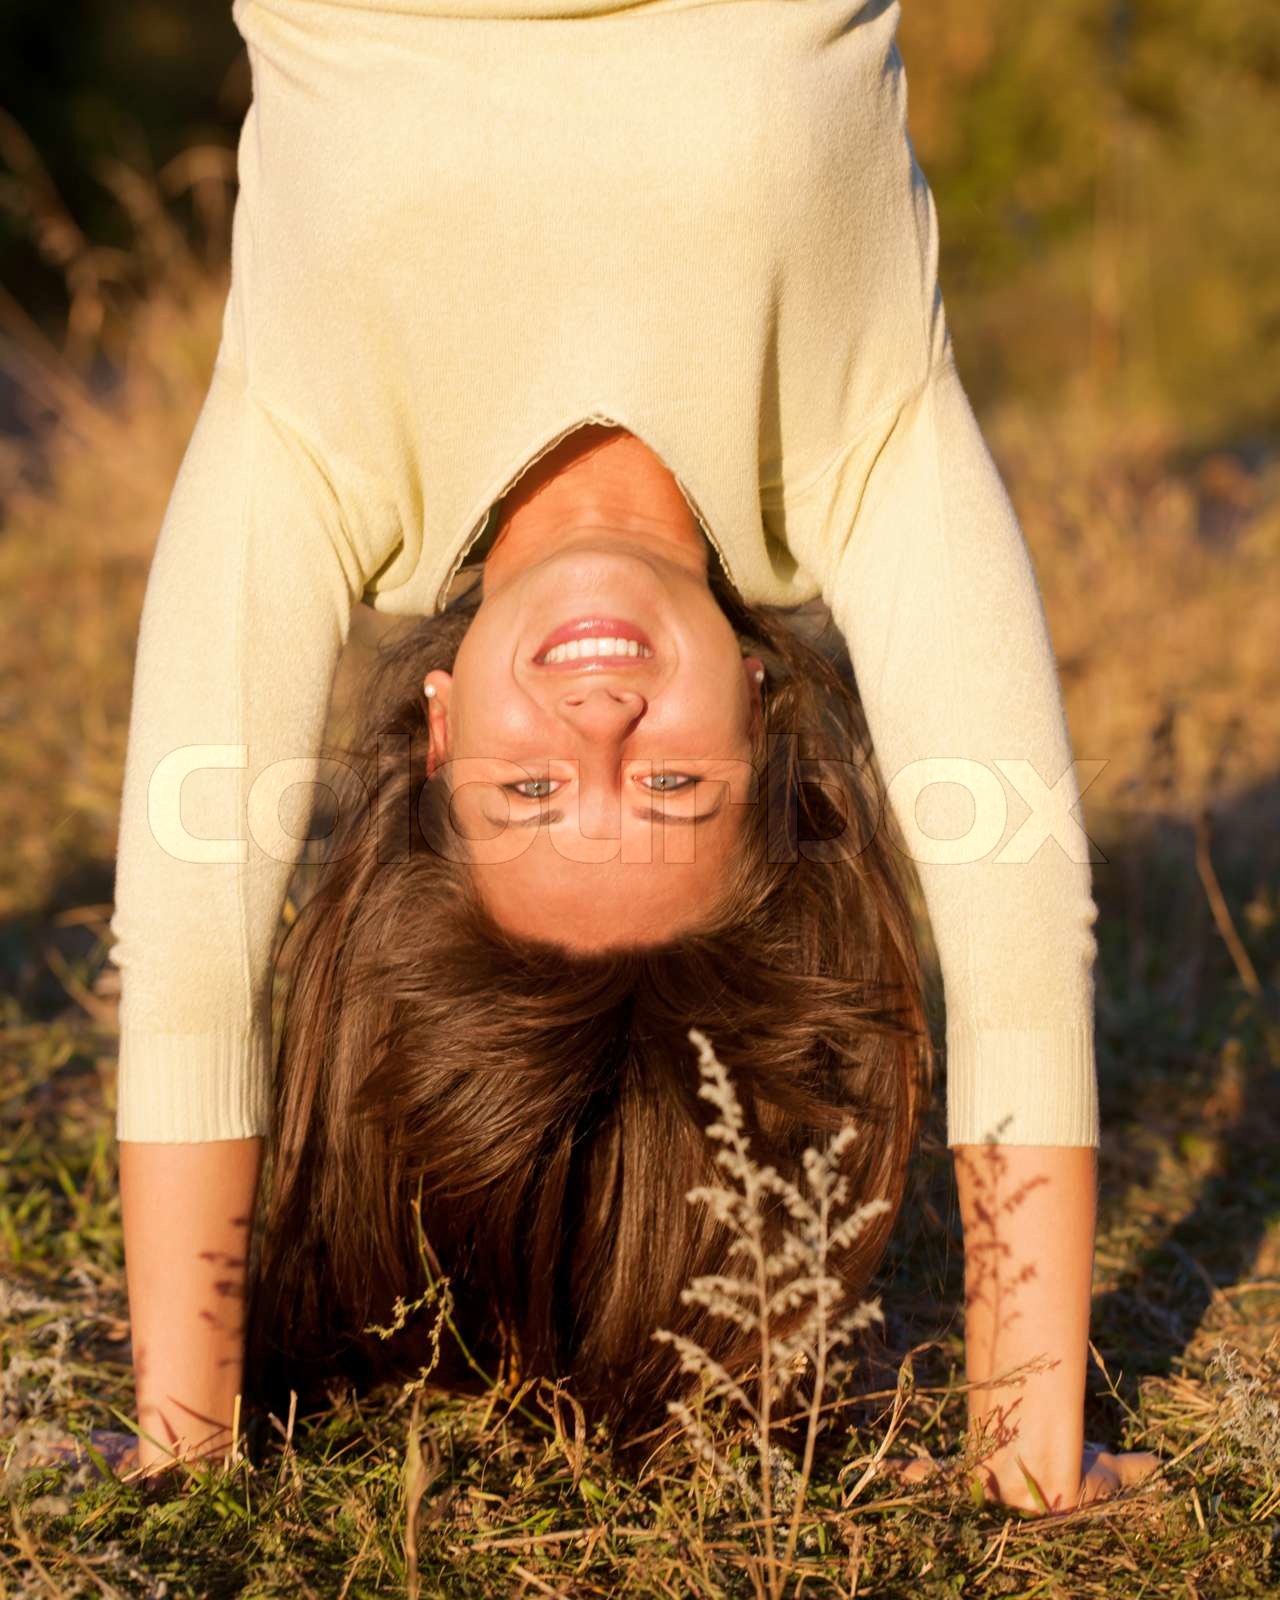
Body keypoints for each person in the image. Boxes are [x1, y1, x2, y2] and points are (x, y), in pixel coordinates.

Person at [106, 0, 1157, 1509]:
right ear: (765, 715)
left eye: (529, 793)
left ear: (438, 734)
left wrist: (183, 1447)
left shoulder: (312, 451)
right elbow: (1019, 930)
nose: (601, 731)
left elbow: (191, 943)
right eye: (675, 786)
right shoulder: (859, 446)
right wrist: (1025, 1437)